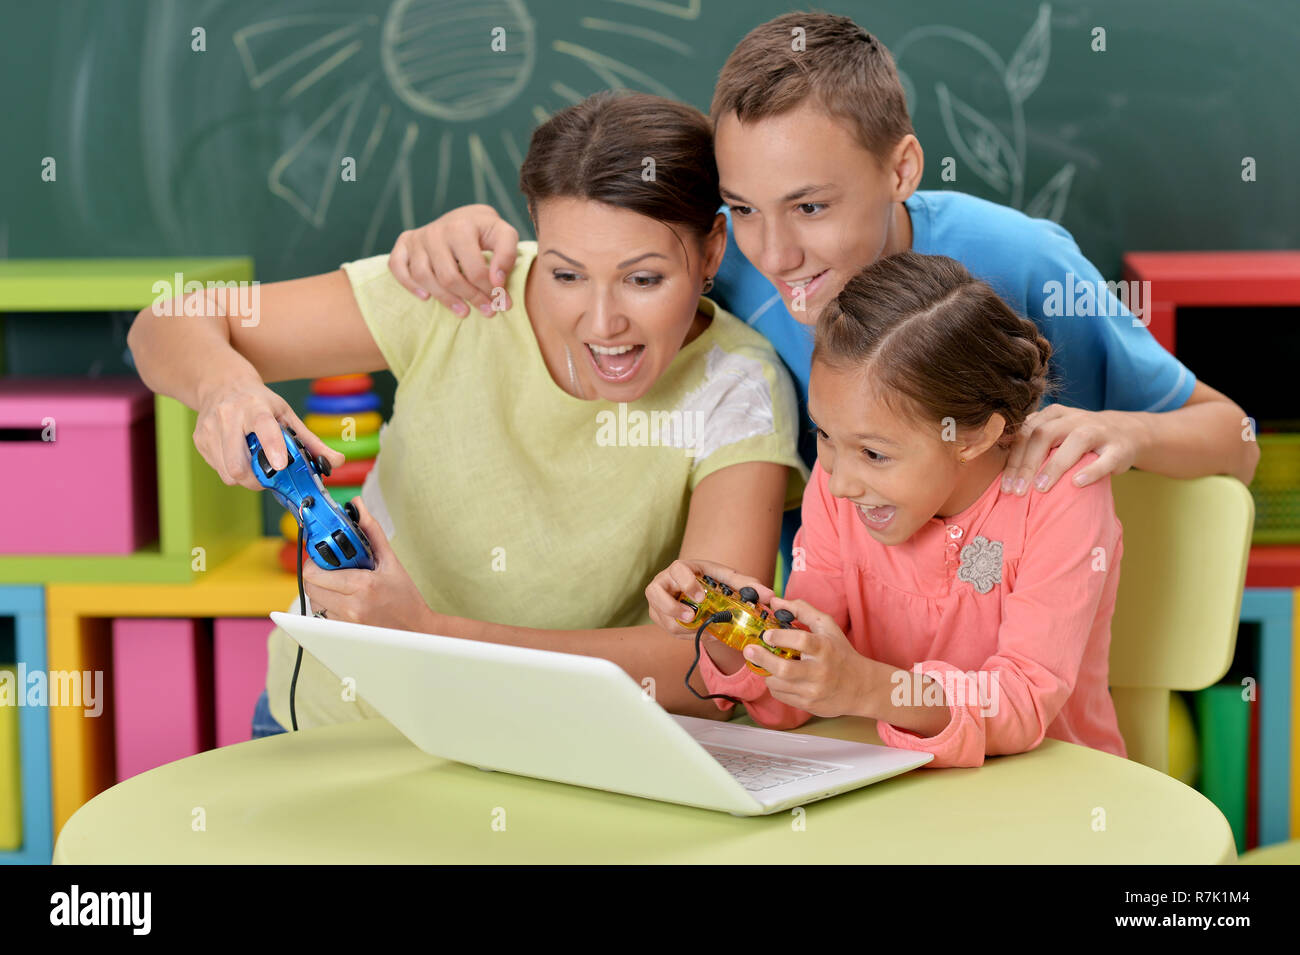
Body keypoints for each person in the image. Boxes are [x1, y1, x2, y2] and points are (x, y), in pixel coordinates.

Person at [387, 12, 1258, 589]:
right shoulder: (723, 277)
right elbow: (598, 265)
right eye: (742, 211)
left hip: (1008, 650)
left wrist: (1131, 431)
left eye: (811, 207)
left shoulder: (1023, 263)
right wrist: (470, 238)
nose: (776, 253)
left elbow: (1238, 440)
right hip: (823, 657)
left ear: (902, 169)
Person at [126, 91, 808, 734]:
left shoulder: (736, 386)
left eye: (643, 278)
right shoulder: (461, 292)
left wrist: (429, 633)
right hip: (339, 729)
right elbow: (169, 322)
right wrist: (226, 390)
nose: (603, 322)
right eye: (567, 273)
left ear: (712, 249)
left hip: (557, 750)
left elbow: (712, 667)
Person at [647, 252, 1127, 769]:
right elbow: (795, 694)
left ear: (975, 435)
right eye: (824, 435)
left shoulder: (1061, 494)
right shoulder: (841, 483)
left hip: (1052, 791)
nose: (841, 480)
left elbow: (1022, 702)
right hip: (879, 785)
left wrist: (868, 687)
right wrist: (725, 627)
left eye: (875, 453)